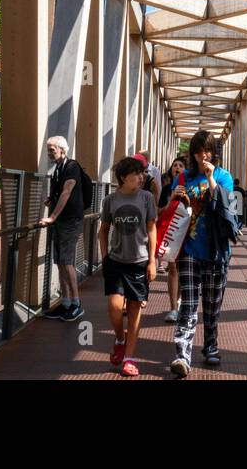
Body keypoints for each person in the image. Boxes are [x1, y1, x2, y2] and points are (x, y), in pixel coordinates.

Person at [169, 130, 238, 378]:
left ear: (213, 152)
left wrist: (210, 181)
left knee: (211, 304)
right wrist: (174, 200)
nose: (202, 155)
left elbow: (229, 209)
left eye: (207, 150)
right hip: (189, 248)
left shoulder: (224, 176)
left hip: (217, 251)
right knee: (188, 304)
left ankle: (210, 345)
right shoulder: (184, 177)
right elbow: (170, 212)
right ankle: (182, 354)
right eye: (198, 151)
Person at [99, 155, 158, 377]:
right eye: (137, 174)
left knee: (134, 309)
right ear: (124, 177)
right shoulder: (110, 201)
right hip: (115, 261)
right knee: (115, 307)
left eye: (142, 173)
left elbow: (151, 228)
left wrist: (152, 261)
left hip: (139, 262)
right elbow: (103, 231)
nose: (142, 177)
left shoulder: (146, 198)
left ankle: (129, 358)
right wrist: (105, 257)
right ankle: (120, 339)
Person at [38, 135, 85, 321]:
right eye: (48, 149)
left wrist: (52, 217)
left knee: (66, 261)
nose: (49, 153)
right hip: (62, 221)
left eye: (52, 150)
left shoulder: (71, 166)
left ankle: (76, 303)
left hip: (70, 220)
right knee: (59, 261)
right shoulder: (58, 168)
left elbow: (67, 192)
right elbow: (60, 193)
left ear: (62, 150)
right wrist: (51, 199)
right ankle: (65, 302)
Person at [160, 154, 187, 322]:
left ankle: (179, 299)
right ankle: (173, 307)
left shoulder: (191, 187)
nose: (177, 167)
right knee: (172, 267)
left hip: (185, 232)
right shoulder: (167, 188)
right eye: (175, 165)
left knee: (182, 267)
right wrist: (171, 200)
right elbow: (160, 210)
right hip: (171, 231)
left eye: (181, 165)